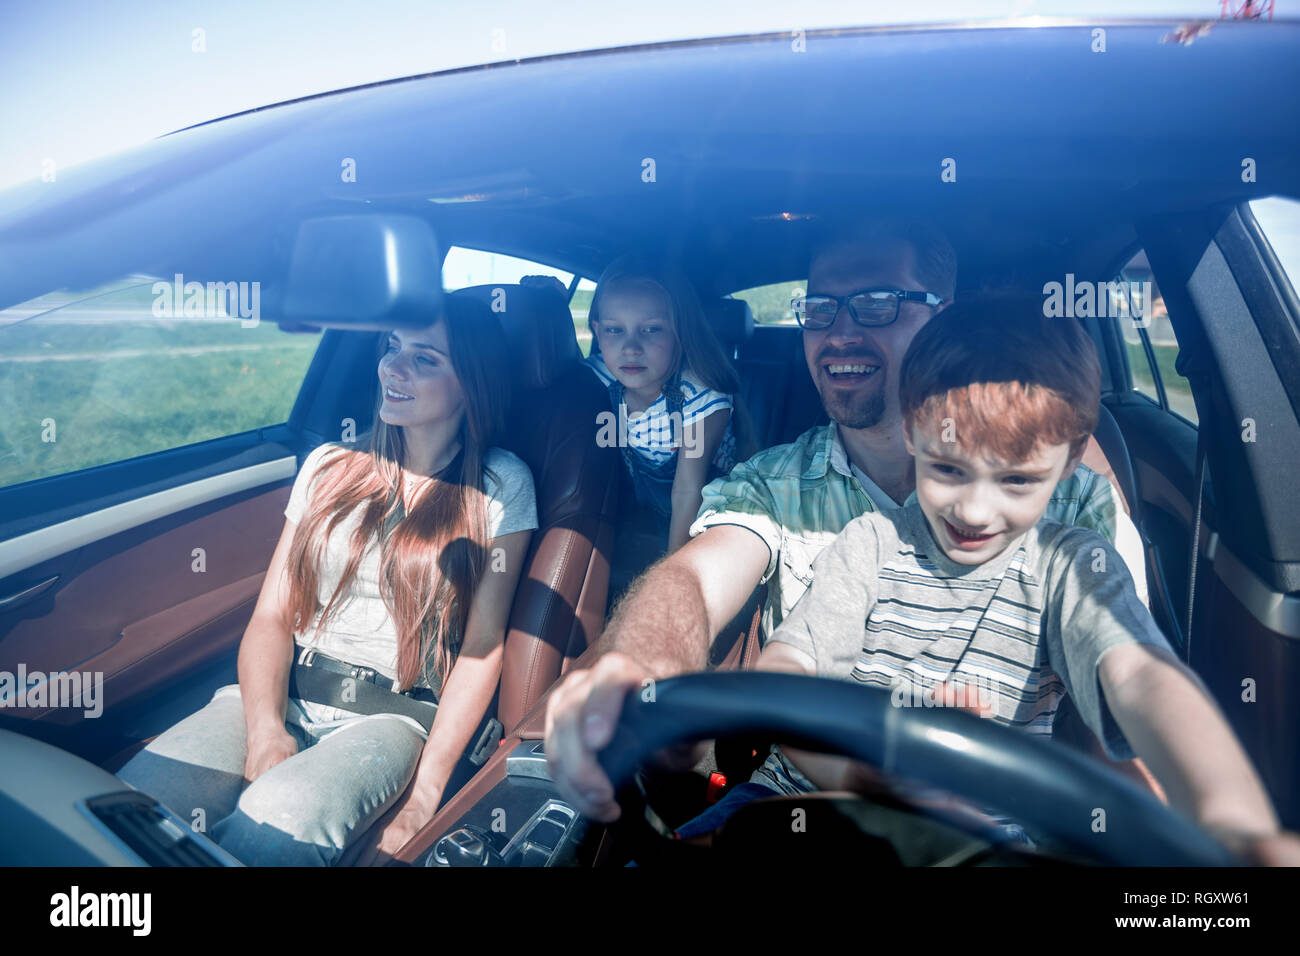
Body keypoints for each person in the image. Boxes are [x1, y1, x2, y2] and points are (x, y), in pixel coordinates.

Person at [545, 220, 1155, 822]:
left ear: (943, 317)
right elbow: (693, 582)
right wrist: (645, 667)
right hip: (798, 802)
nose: (839, 334)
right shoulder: (774, 482)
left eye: (876, 305)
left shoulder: (1073, 503)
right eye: (819, 310)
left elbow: (1129, 698)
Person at [692, 294, 1288, 854]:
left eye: (1016, 480)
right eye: (948, 469)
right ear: (910, 433)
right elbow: (787, 670)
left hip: (976, 836)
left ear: (1072, 462)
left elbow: (1142, 678)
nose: (974, 512)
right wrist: (863, 774)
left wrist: (1231, 821)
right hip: (799, 798)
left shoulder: (1071, 569)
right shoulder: (869, 545)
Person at [117, 295, 537, 866]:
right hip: (282, 691)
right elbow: (272, 616)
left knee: (273, 827)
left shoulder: (501, 484)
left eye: (425, 359)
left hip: (392, 715)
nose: (394, 367)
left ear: (473, 383)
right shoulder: (329, 465)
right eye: (391, 348)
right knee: (130, 810)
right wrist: (266, 729)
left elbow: (482, 652)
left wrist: (426, 794)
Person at [584, 254, 755, 603]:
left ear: (680, 333)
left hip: (703, 510)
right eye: (615, 330)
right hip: (643, 505)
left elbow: (687, 489)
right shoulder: (601, 375)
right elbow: (552, 372)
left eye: (651, 329)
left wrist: (670, 576)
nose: (630, 347)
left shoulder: (701, 397)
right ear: (598, 334)